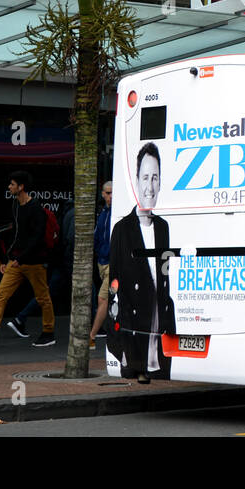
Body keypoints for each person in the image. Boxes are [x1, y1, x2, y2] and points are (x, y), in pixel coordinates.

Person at [108, 143, 175, 381]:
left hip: (161, 338)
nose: (150, 186)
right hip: (134, 338)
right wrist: (122, 344)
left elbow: (165, 282)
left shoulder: (163, 227)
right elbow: (114, 287)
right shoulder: (122, 229)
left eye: (155, 177)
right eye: (145, 177)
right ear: (136, 180)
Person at [0, 171, 56, 348]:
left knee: (43, 298)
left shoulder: (36, 208)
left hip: (34, 262)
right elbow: (16, 232)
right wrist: (8, 258)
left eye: (12, 184)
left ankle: (48, 332)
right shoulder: (15, 205)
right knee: (1, 294)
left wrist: (22, 257)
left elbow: (38, 238)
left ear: (21, 187)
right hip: (16, 261)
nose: (9, 187)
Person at [7, 195, 73, 338]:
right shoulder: (71, 214)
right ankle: (45, 329)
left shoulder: (64, 212)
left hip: (52, 259)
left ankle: (21, 318)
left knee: (44, 293)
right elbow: (68, 238)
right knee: (45, 294)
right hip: (59, 260)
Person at [89, 181, 113, 347]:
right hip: (102, 261)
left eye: (112, 193)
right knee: (107, 299)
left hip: (111, 262)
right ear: (102, 194)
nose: (110, 196)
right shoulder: (103, 212)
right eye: (107, 193)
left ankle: (92, 336)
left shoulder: (115, 212)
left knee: (102, 298)